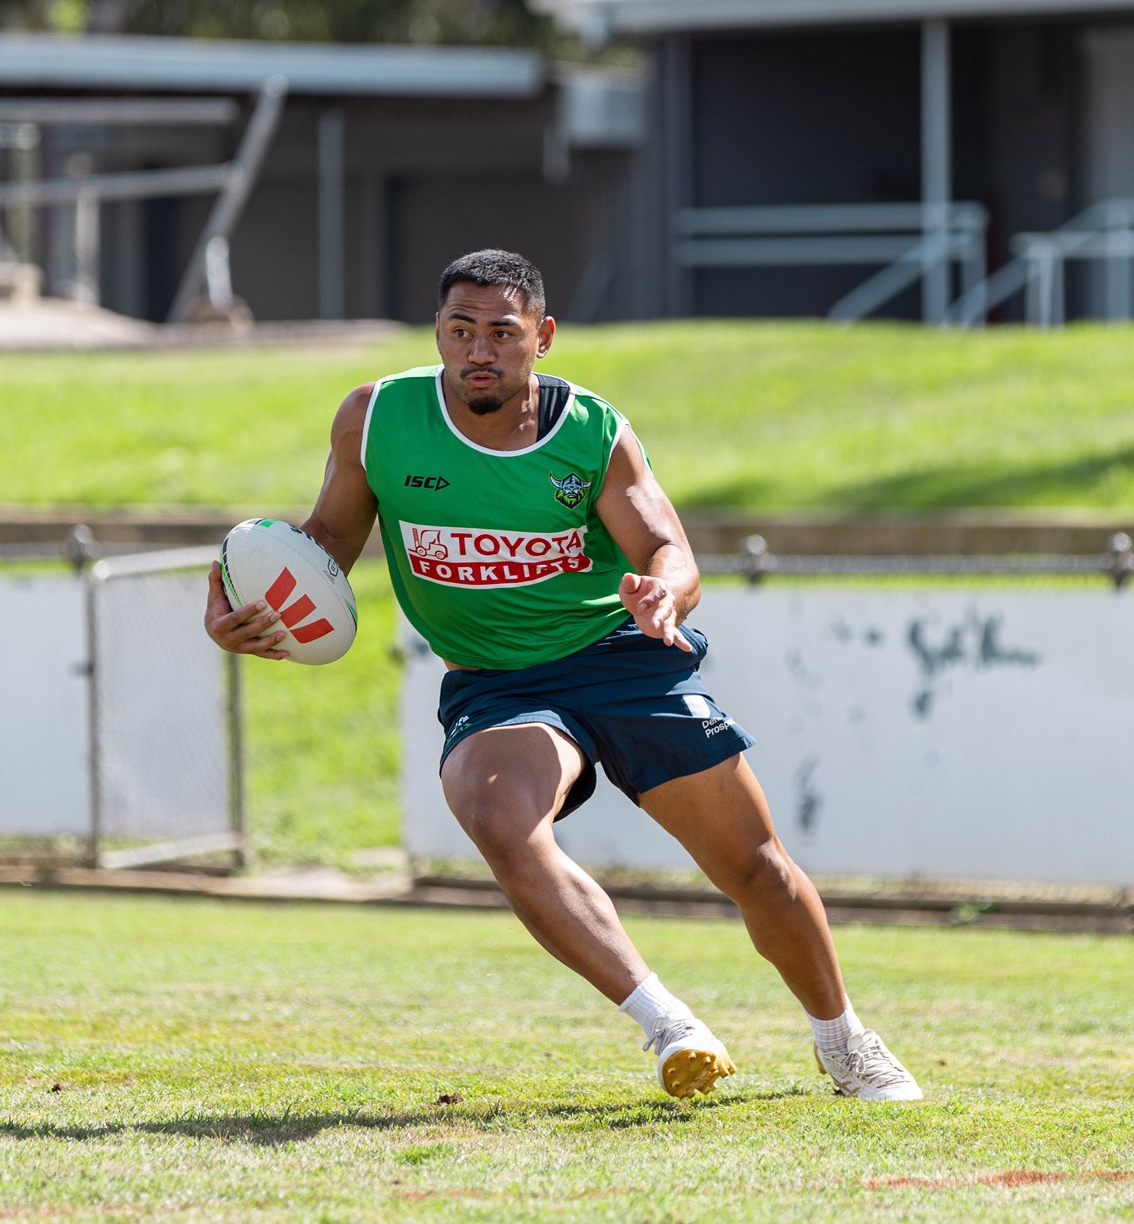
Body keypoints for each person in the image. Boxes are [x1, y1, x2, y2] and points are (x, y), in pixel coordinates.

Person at [204, 249, 922, 1102]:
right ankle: (670, 1025)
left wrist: (665, 593)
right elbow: (325, 541)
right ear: (437, 332)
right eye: (460, 329)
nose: (478, 350)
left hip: (622, 658)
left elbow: (668, 549)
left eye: (501, 332)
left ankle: (845, 1041)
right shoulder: (376, 419)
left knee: (755, 868)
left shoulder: (591, 433)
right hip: (498, 683)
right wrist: (248, 601)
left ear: (541, 337)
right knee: (497, 818)